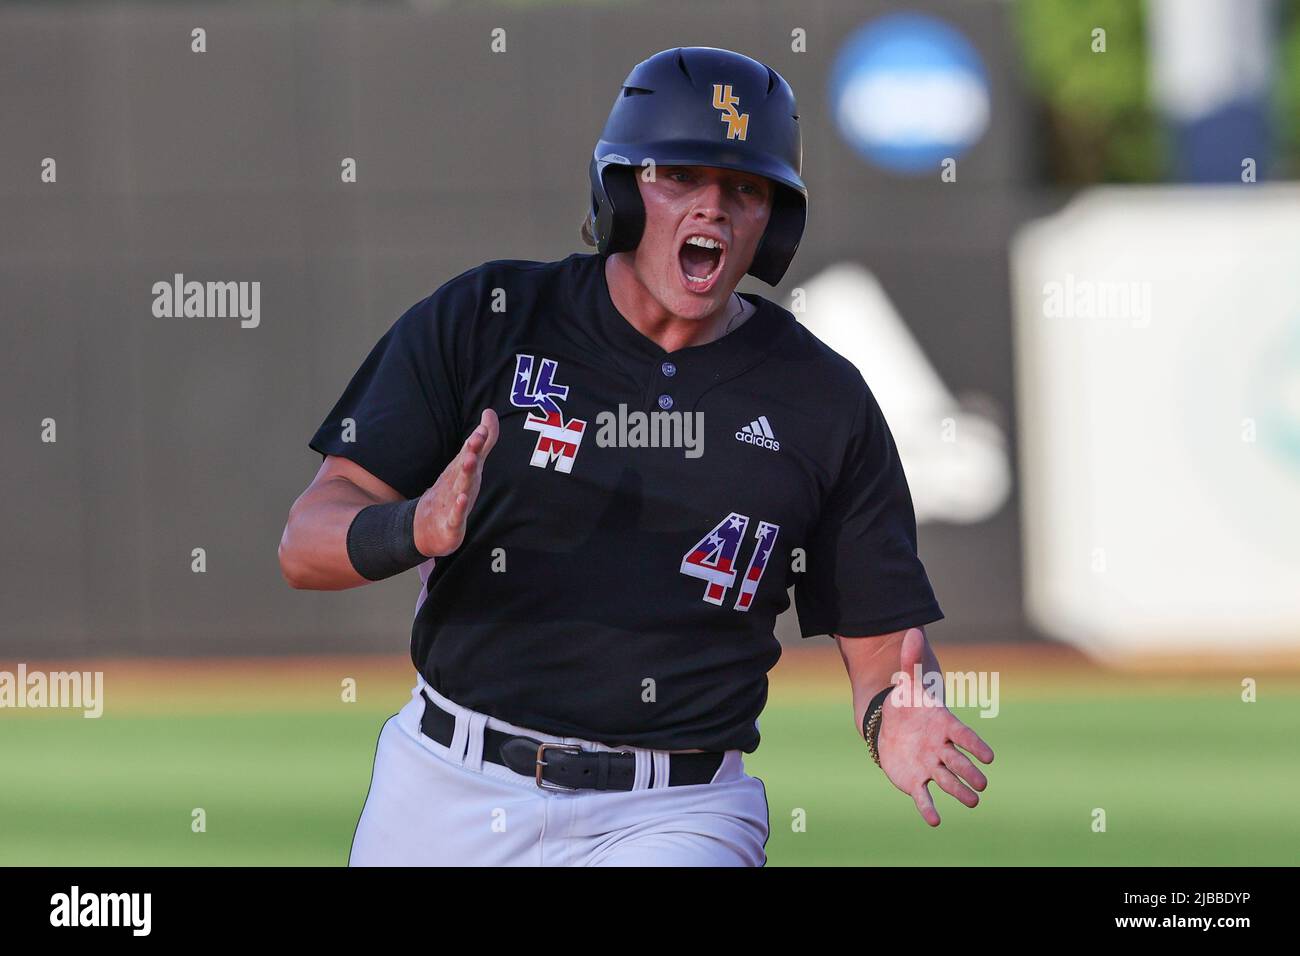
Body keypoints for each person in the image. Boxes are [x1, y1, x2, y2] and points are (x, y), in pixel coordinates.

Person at [278, 46, 993, 867]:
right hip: (449, 785)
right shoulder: (491, 318)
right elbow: (305, 544)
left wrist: (899, 709)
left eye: (745, 189)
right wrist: (411, 527)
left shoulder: (822, 401)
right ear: (618, 193)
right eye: (680, 177)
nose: (713, 209)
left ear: (774, 222)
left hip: (677, 814)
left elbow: (884, 647)